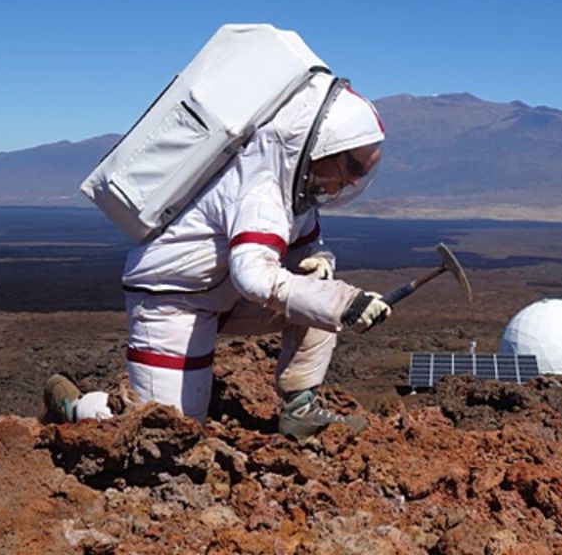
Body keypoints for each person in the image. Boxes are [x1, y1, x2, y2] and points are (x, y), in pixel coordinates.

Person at [44, 74, 391, 440]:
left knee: (316, 297)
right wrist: (347, 302)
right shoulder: (262, 189)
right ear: (325, 148)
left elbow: (307, 248)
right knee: (167, 432)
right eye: (353, 167)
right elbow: (255, 278)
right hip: (173, 301)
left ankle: (301, 409)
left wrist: (321, 265)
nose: (354, 181)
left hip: (223, 294)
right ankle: (78, 407)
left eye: (364, 173)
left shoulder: (294, 188)